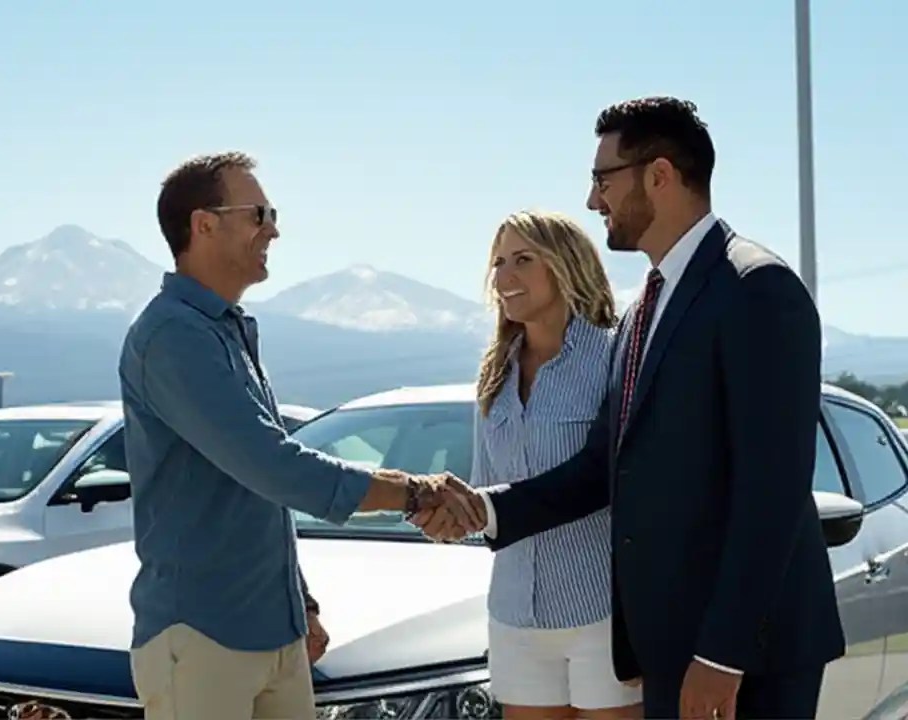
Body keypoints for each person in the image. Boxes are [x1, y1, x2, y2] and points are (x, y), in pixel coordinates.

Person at [415, 97, 844, 719]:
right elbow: (602, 467)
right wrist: (485, 509)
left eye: (603, 179)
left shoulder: (756, 288)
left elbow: (771, 491)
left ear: (660, 175)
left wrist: (723, 657)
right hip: (668, 650)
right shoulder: (644, 307)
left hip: (748, 658)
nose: (594, 201)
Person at [119, 150, 486, 720]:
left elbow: (259, 493)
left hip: (275, 632)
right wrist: (412, 492)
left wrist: (300, 602)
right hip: (201, 636)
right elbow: (274, 465)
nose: (274, 230)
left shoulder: (225, 330)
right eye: (259, 214)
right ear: (204, 225)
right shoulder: (171, 336)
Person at [471, 209, 640, 720]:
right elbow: (485, 492)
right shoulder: (493, 374)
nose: (504, 276)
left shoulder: (615, 358)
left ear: (566, 264)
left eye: (523, 259)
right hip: (514, 616)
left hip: (601, 614)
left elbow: (621, 484)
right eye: (498, 262)